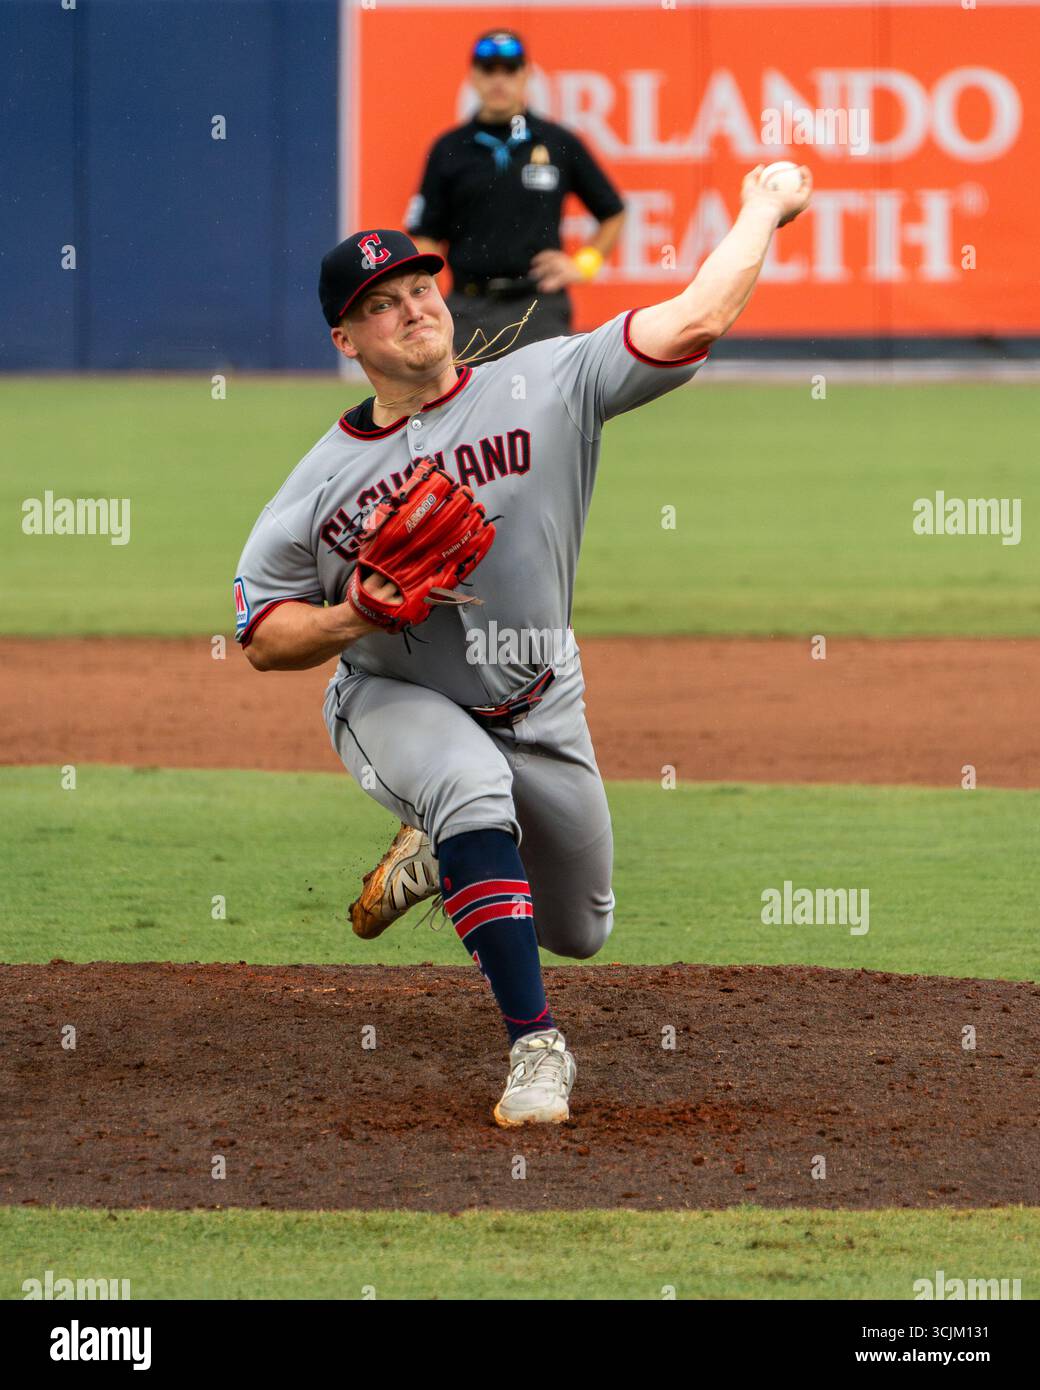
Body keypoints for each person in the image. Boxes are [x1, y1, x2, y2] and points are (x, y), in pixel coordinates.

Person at [233, 163, 812, 1127]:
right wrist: (349, 622)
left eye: (420, 287)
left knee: (582, 926)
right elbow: (261, 635)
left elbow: (696, 319)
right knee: (470, 787)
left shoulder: (549, 378)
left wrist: (760, 206)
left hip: (542, 698)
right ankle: (536, 1047)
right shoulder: (317, 486)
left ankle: (441, 854)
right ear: (346, 339)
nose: (413, 308)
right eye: (382, 304)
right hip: (395, 697)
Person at [406, 28, 625, 354]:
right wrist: (428, 299)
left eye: (509, 70)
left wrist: (584, 264)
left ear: (525, 75)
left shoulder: (557, 142)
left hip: (539, 307)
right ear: (473, 77)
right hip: (467, 308)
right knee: (466, 404)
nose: (499, 80)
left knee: (544, 402)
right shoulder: (449, 149)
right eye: (488, 70)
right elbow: (424, 233)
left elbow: (612, 212)